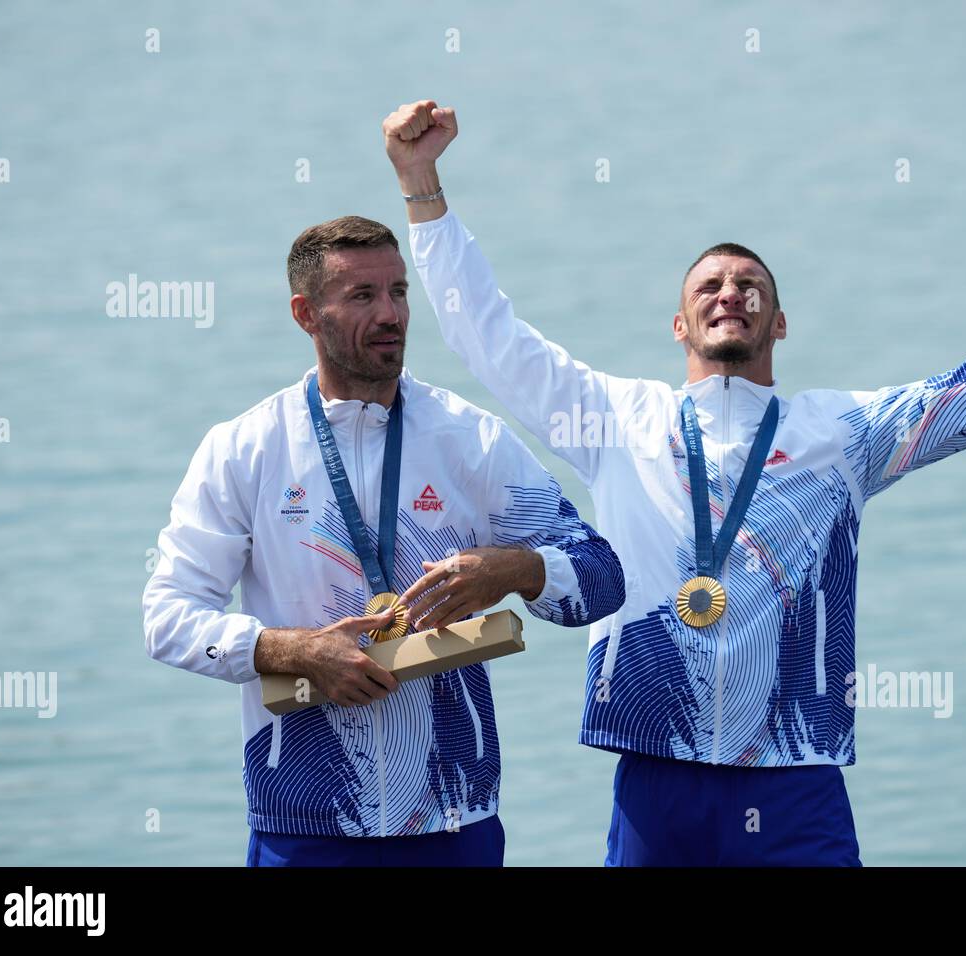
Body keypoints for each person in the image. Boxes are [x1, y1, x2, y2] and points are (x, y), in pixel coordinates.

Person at [382, 100, 966, 866]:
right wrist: (421, 183)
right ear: (678, 325)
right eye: (709, 285)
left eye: (751, 287)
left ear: (779, 324)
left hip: (795, 772)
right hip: (658, 770)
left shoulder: (841, 433)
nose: (730, 293)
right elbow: (484, 330)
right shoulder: (613, 419)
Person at [143, 213, 626, 867]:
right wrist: (294, 649)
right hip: (304, 822)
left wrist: (512, 569)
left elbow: (600, 578)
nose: (391, 313)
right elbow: (167, 618)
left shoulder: (470, 439)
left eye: (398, 291)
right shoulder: (244, 448)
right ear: (306, 314)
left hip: (455, 820)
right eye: (362, 296)